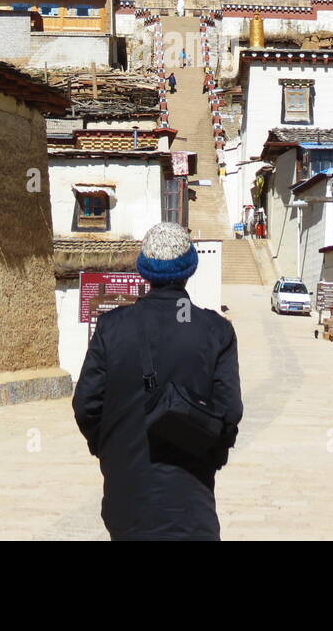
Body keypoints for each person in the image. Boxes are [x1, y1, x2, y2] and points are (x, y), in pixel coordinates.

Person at [73, 222, 242, 541]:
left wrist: (111, 448)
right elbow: (229, 411)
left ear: (144, 271)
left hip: (127, 496)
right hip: (191, 496)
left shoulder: (111, 327)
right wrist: (210, 454)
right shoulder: (215, 331)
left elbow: (86, 405)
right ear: (190, 269)